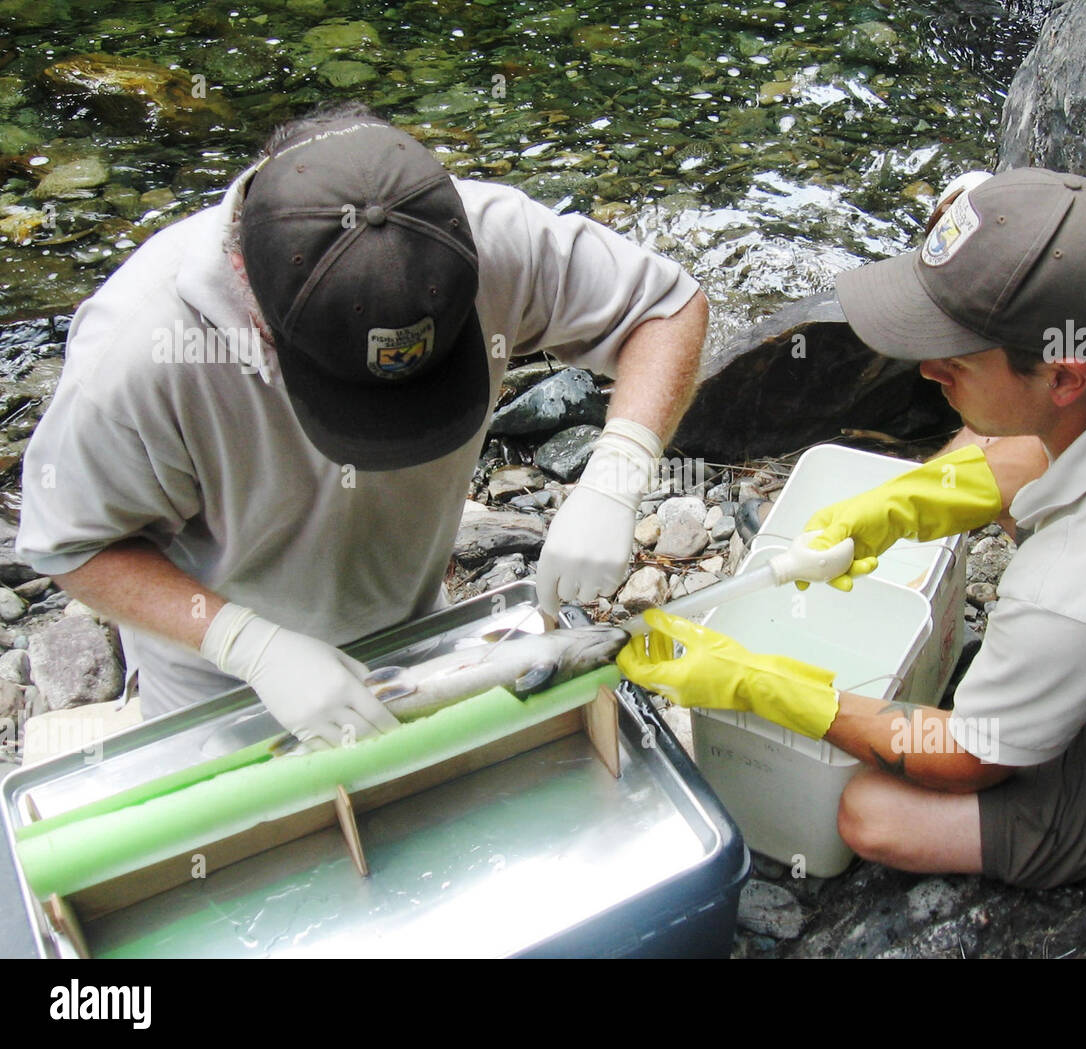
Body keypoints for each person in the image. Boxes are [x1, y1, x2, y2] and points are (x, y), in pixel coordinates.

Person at [619, 167, 1086, 888]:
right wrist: (904, 501)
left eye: (956, 357)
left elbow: (971, 757)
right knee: (1004, 439)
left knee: (873, 812)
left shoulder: (1081, 579)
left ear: (1065, 375)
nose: (927, 372)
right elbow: (1031, 443)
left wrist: (764, 686)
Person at [17, 107, 706, 750]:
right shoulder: (139, 354)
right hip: (223, 685)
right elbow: (71, 545)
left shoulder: (479, 242)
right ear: (245, 284)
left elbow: (667, 306)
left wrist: (617, 472)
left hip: (422, 631)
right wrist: (247, 644)